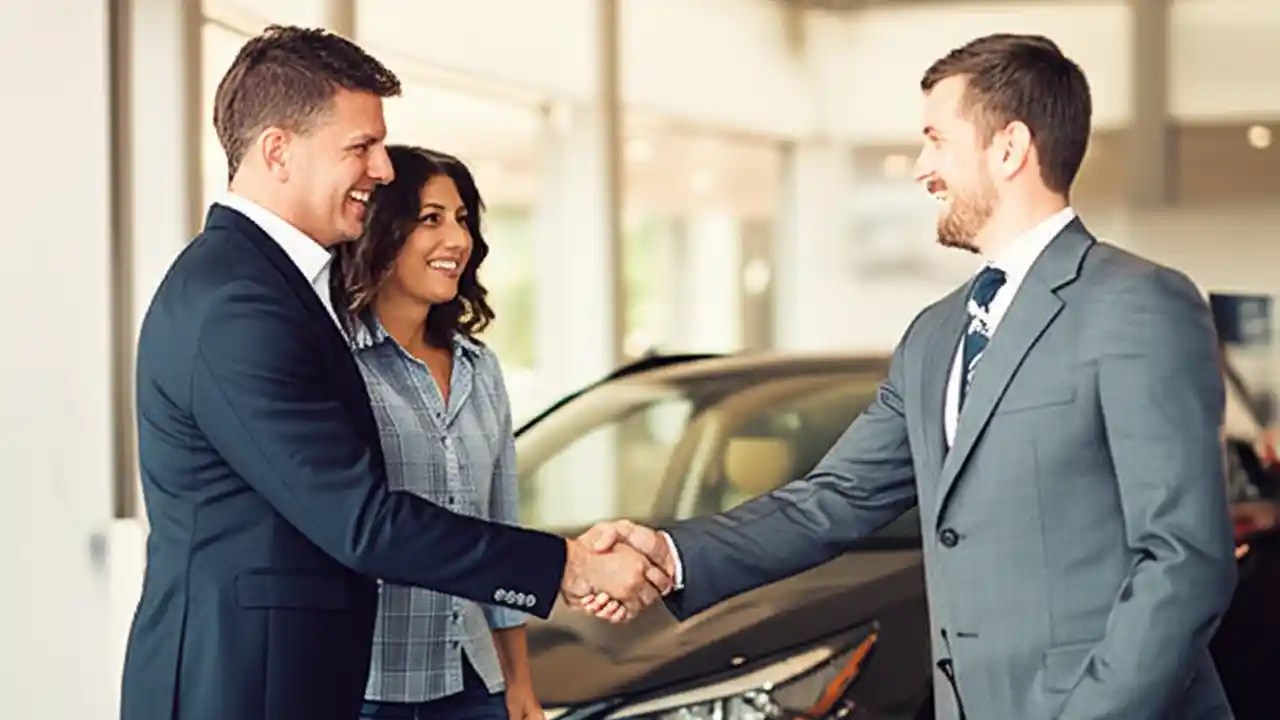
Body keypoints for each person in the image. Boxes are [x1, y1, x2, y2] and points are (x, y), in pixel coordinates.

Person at [581, 33, 1238, 720]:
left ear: (1008, 148)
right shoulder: (934, 334)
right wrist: (668, 553)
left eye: (936, 139)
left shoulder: (1136, 302)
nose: (922, 168)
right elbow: (831, 500)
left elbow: (1183, 560)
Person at [120, 26, 667, 720]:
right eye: (360, 147)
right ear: (278, 151)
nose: (382, 170)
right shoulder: (239, 304)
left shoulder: (269, 285)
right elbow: (363, 522)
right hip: (240, 687)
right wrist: (572, 565)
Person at [329, 145, 544, 720]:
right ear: (383, 228)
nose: (457, 240)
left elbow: (499, 526)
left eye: (463, 220)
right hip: (367, 687)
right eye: (432, 219)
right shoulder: (338, 360)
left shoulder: (481, 367)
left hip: (474, 683)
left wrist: (518, 683)